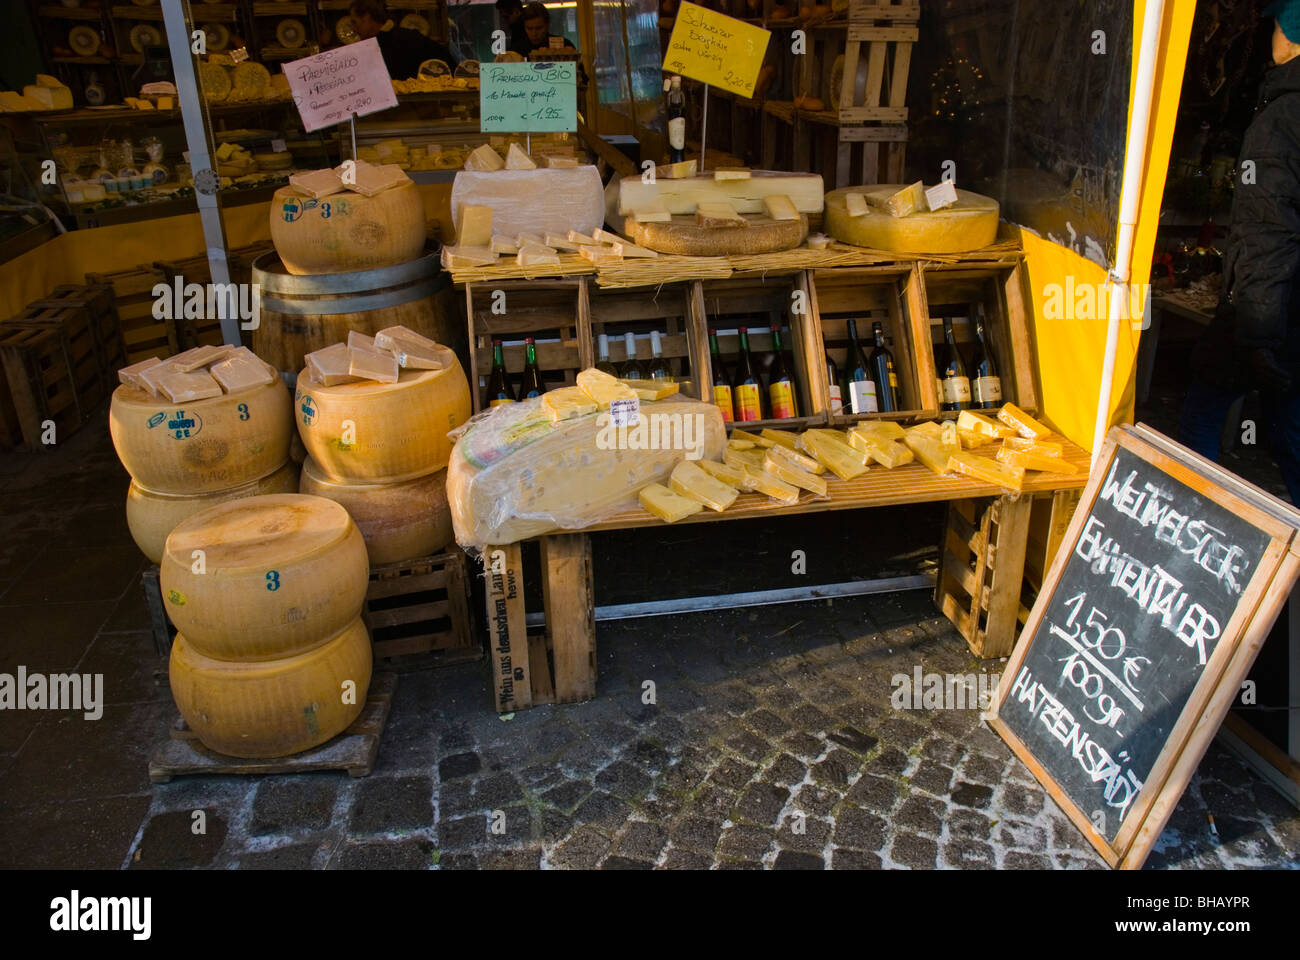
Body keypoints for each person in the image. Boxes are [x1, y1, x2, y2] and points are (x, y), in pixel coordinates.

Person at [1177, 0, 1300, 505]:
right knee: (1289, 428)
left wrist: (1255, 330)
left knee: (1204, 412)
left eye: (1274, 27)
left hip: (1273, 305)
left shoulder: (1282, 119)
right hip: (1289, 304)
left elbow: (1269, 229)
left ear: (1292, 38)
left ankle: (1188, 528)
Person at [349, 0, 459, 78]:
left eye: (355, 22)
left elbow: (446, 60)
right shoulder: (371, 46)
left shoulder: (407, 39)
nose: (353, 29)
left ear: (367, 18)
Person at [510, 2, 578, 57]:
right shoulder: (516, 52)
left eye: (539, 28)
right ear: (524, 26)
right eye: (529, 28)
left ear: (547, 25)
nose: (534, 33)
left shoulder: (565, 46)